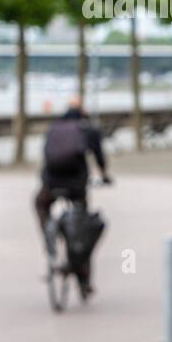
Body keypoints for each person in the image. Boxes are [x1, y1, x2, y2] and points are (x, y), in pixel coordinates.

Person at [35, 99, 111, 296]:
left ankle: (49, 238)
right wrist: (104, 175)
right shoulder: (88, 130)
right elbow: (98, 156)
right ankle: (84, 279)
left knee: (40, 204)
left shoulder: (54, 128)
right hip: (76, 185)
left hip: (50, 183)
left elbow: (45, 155)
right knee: (83, 226)